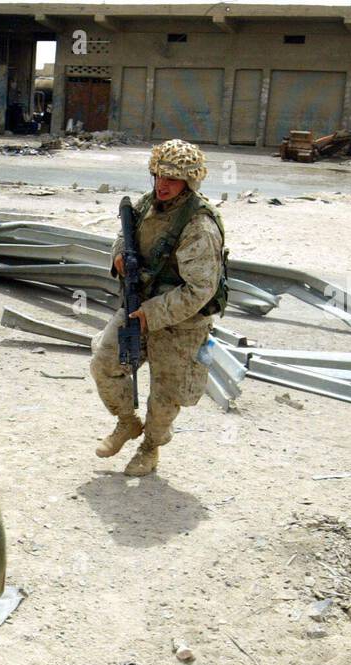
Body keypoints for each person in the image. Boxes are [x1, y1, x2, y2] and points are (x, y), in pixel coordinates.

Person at [90, 138, 226, 476]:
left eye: (173, 179)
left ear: (189, 182)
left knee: (166, 396)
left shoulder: (199, 225)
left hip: (181, 322)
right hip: (139, 305)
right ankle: (126, 422)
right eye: (160, 176)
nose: (163, 185)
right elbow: (125, 235)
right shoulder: (149, 204)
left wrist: (152, 314)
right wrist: (119, 255)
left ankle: (150, 448)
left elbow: (200, 290)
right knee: (104, 362)